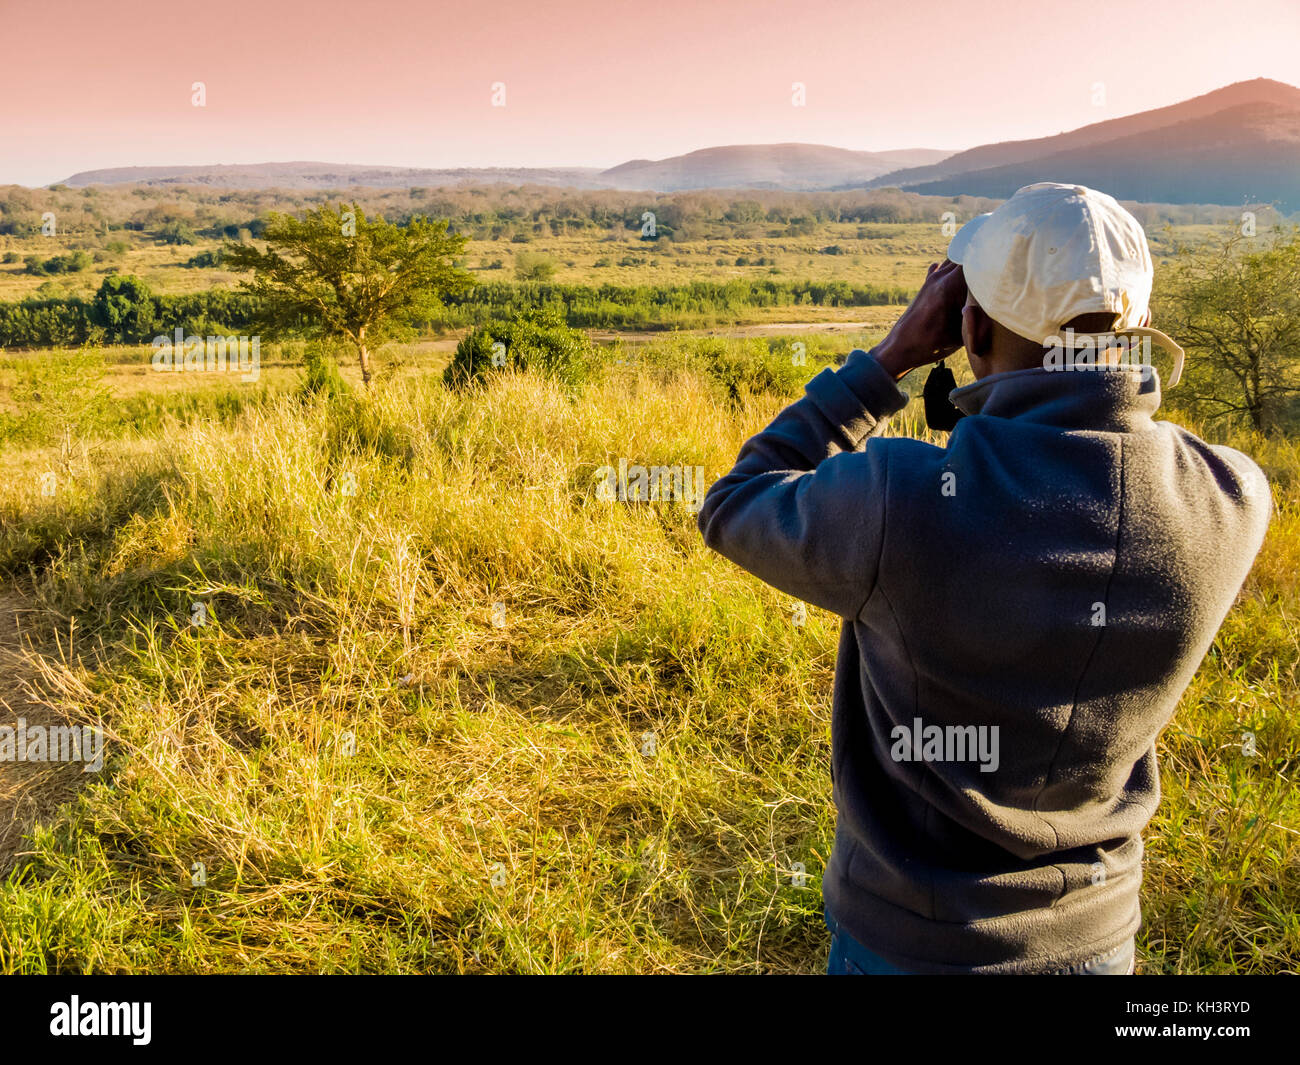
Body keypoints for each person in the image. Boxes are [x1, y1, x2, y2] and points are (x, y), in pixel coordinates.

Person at [697, 183, 1272, 974]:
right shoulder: (1232, 495)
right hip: (1100, 941)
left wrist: (890, 358)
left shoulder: (901, 496)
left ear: (968, 324)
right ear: (1136, 326)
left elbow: (733, 503)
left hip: (908, 945)